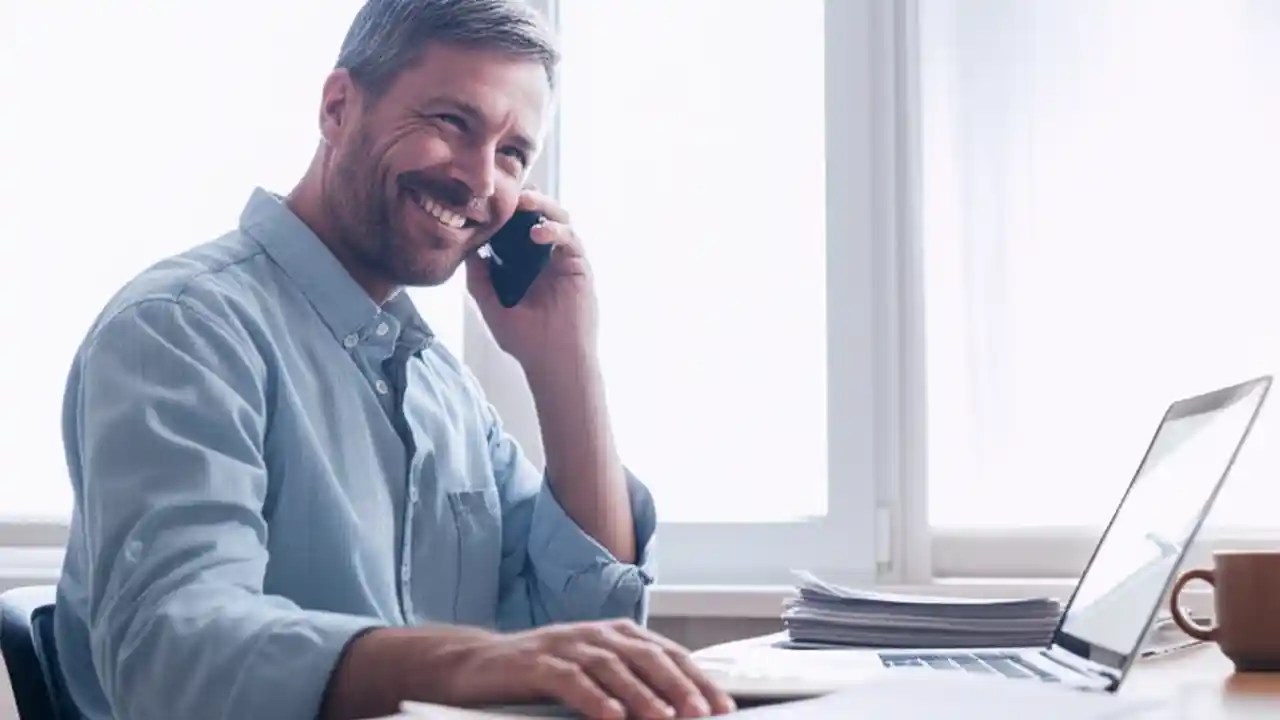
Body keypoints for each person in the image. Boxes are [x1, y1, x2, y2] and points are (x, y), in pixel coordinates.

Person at [52, 1, 735, 718]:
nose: (478, 180)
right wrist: (472, 663)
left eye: (512, 154)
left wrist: (566, 367)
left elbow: (591, 639)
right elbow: (174, 653)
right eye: (452, 123)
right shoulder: (181, 332)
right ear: (339, 107)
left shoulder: (445, 390)